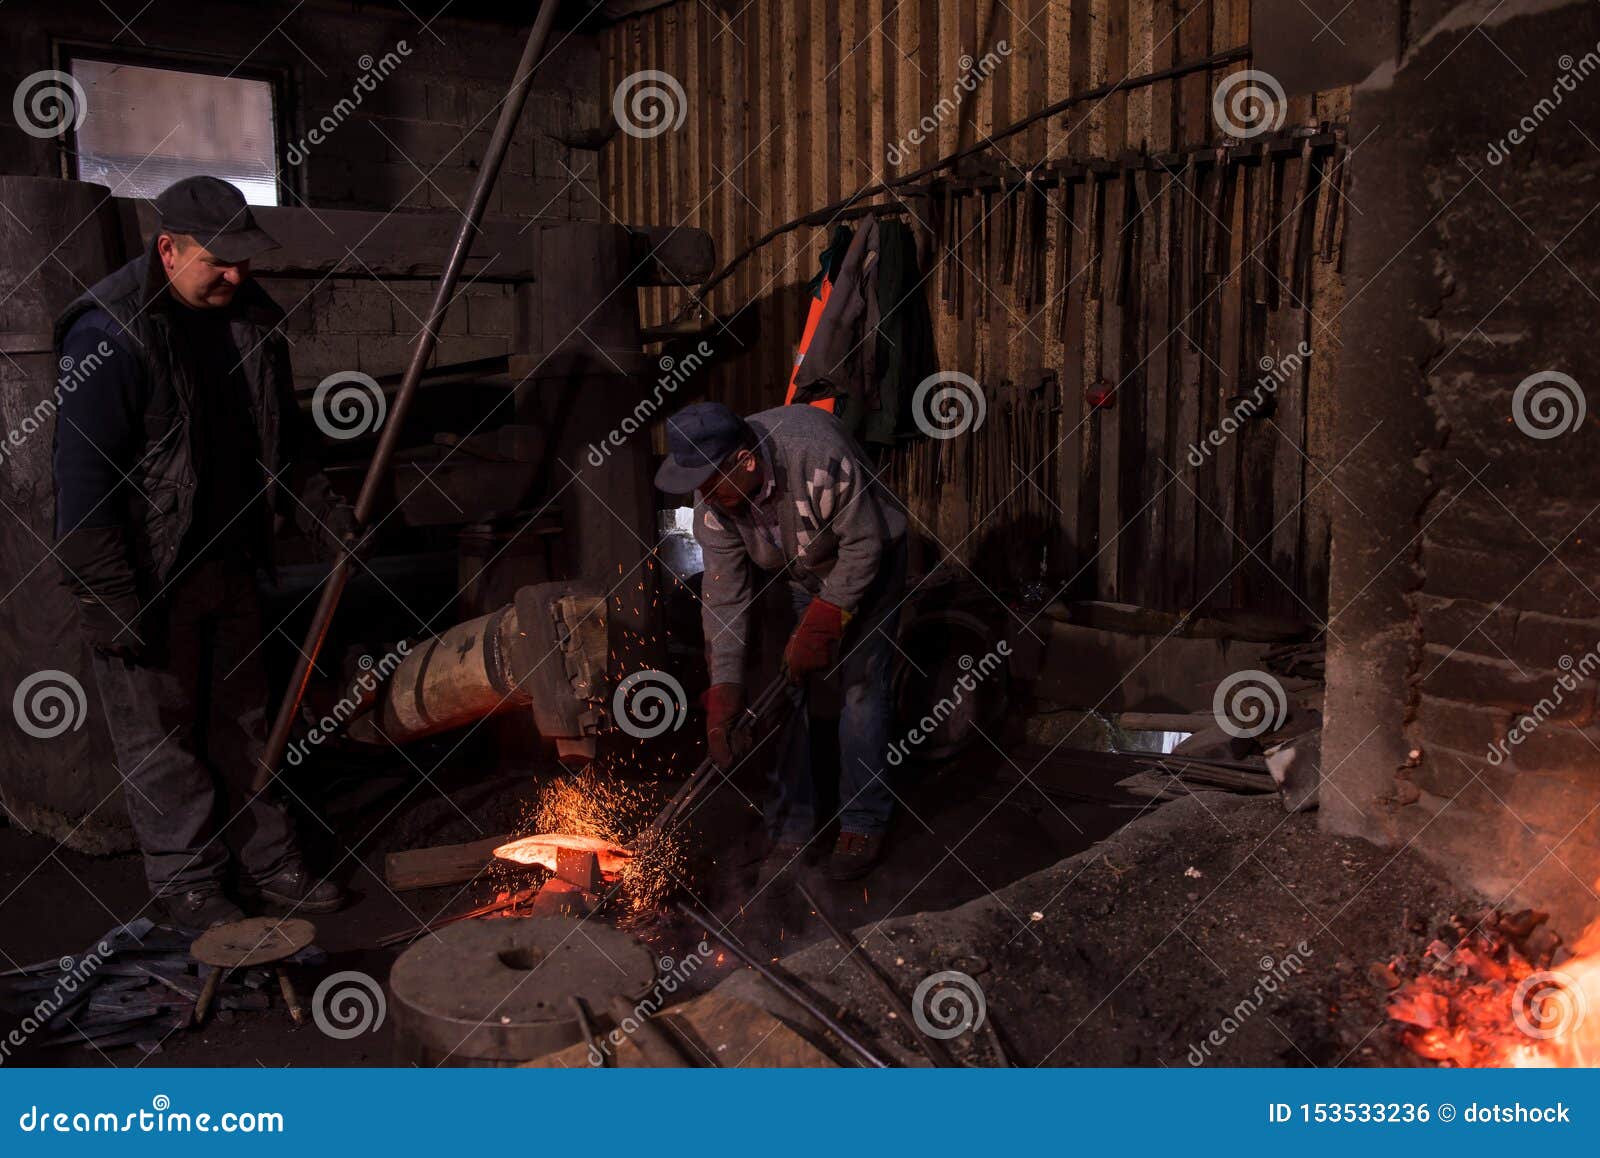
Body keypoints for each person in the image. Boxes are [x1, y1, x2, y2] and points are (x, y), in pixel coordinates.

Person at [51, 176, 365, 932]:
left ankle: (268, 861)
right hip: (148, 576)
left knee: (245, 721)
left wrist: (329, 519)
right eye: (219, 262)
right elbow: (83, 488)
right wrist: (110, 601)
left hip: (229, 562)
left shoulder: (252, 321)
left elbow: (283, 445)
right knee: (161, 739)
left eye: (244, 260)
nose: (236, 275)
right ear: (168, 249)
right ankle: (190, 881)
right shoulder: (109, 336)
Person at [654, 401, 907, 883]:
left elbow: (865, 545)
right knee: (789, 690)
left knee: (861, 689)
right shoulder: (716, 503)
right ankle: (792, 828)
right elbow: (725, 599)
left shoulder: (817, 456)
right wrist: (724, 691)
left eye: (710, 480)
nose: (703, 494)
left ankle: (862, 823)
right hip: (803, 569)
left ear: (745, 460)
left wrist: (824, 621)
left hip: (870, 559)